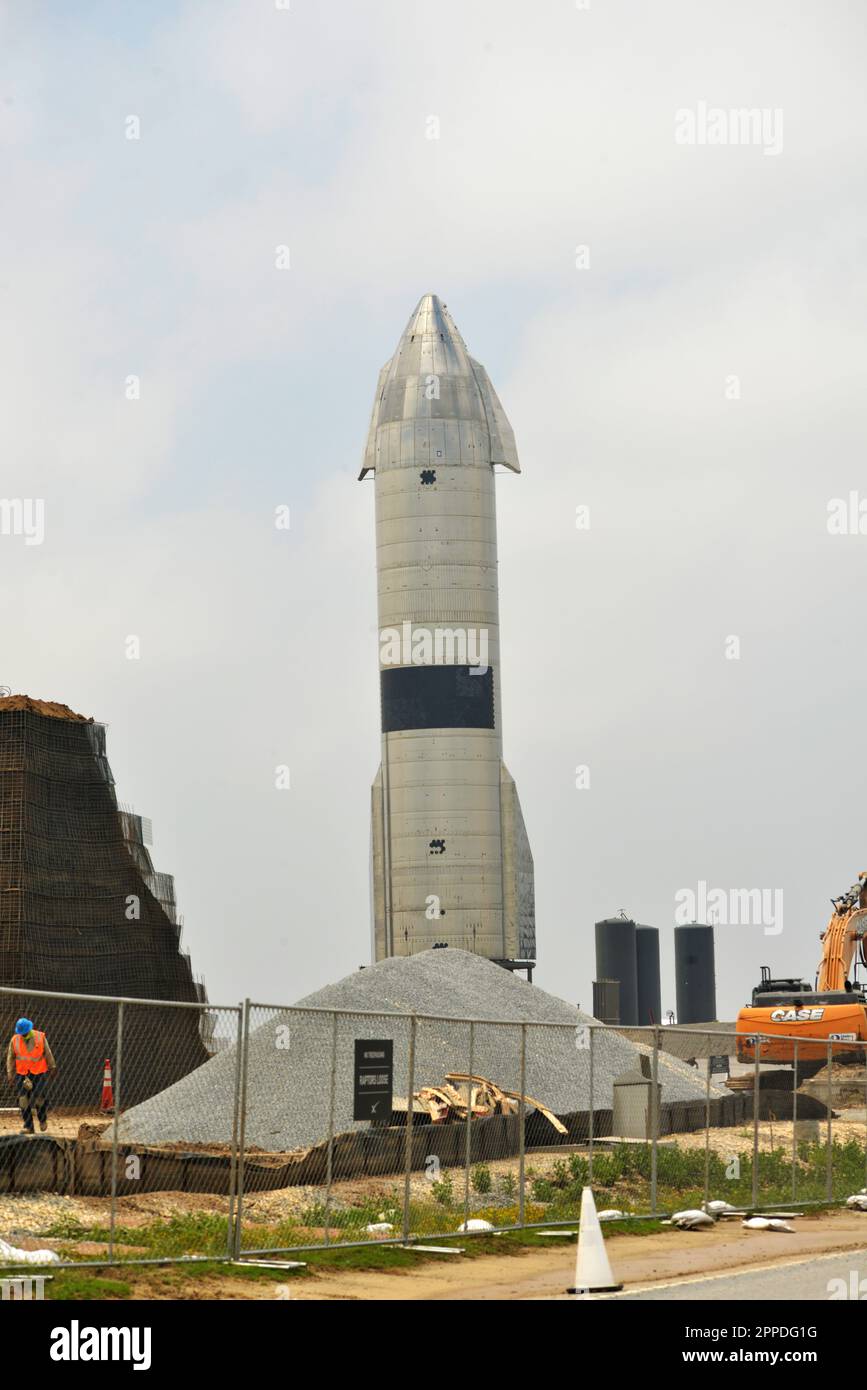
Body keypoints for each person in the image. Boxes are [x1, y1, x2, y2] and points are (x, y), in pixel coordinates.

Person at [6, 1018, 57, 1134]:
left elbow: (47, 1052)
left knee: (40, 1098)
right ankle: (29, 1126)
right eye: (21, 1033)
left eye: (25, 1033)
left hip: (39, 1072)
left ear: (30, 1029)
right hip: (22, 1074)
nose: (23, 1035)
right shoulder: (15, 1040)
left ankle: (42, 1119)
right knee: (23, 1101)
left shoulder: (40, 1037)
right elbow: (10, 1057)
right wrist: (10, 1072)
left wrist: (52, 1066)